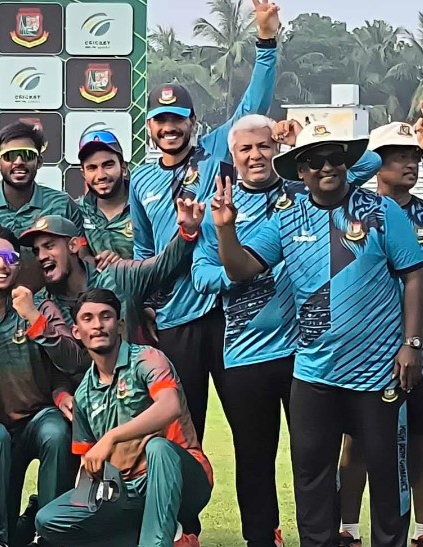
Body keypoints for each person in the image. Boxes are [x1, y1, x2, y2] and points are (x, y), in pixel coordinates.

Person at [212, 120, 423, 547]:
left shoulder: (384, 212)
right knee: (311, 474)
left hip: (379, 372)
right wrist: (226, 230)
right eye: (313, 160)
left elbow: (413, 275)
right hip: (313, 373)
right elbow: (242, 269)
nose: (326, 166)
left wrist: (412, 343)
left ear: (347, 162)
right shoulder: (285, 218)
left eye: (334, 157)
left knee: (387, 471)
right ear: (299, 170)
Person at [127, 1, 280, 469]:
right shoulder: (142, 180)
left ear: (193, 123)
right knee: (182, 431)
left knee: (248, 432)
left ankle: (264, 530)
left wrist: (266, 42)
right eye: (161, 119)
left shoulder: (216, 154)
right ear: (150, 126)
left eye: (178, 119)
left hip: (228, 317)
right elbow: (144, 252)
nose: (170, 127)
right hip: (175, 324)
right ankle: (187, 532)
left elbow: (253, 105)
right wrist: (146, 308)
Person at [35, 288, 213, 547]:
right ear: (77, 331)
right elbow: (88, 468)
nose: (97, 325)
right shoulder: (83, 394)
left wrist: (112, 437)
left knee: (158, 447)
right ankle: (165, 544)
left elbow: (169, 407)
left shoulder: (148, 359)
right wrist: (72, 534)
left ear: (119, 325)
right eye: (88, 318)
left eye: (106, 317)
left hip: (182, 477)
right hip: (127, 491)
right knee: (48, 521)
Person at [0, 226, 89, 547]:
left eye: (9, 257)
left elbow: (74, 360)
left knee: (57, 432)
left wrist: (33, 318)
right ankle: (1, 534)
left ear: (18, 265)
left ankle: (53, 533)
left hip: (37, 419)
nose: (1, 264)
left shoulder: (42, 305)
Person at [333, 120, 423, 547]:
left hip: (415, 349)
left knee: (418, 442)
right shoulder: (353, 213)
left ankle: (420, 538)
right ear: (377, 164)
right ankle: (348, 533)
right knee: (358, 446)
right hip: (361, 355)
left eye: (414, 157)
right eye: (398, 156)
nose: (410, 164)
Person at [23, 209, 202, 347]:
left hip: (136, 384)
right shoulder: (41, 305)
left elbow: (162, 265)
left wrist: (186, 232)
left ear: (73, 245)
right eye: (36, 251)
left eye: (49, 246)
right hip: (85, 391)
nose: (41, 256)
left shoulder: (118, 276)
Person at [0, 121, 88, 293]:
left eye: (27, 155)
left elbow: (82, 257)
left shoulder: (62, 203)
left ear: (39, 161)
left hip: (52, 304)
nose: (19, 162)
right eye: (10, 156)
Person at [77, 130, 134, 259]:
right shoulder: (77, 211)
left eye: (108, 165)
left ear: (123, 168)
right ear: (83, 174)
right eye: (92, 168)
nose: (101, 175)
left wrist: (126, 267)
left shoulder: (144, 206)